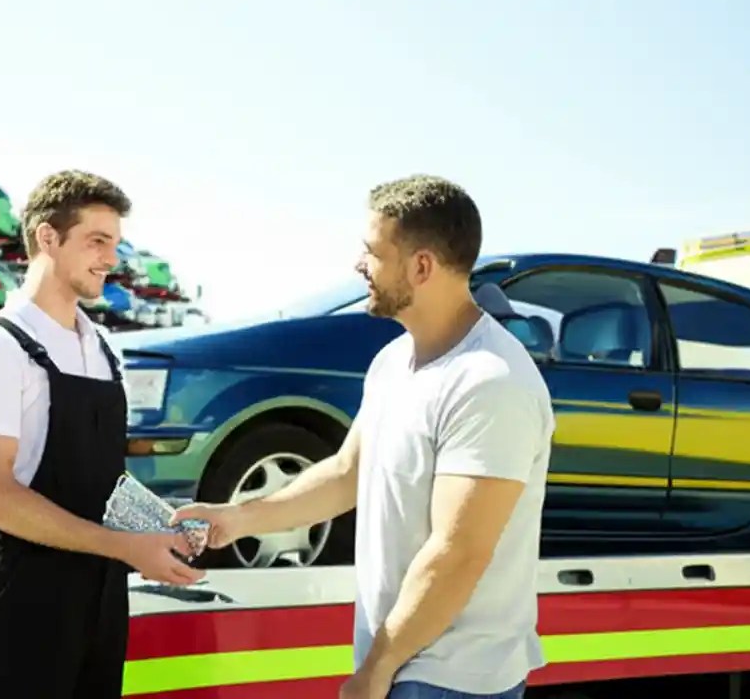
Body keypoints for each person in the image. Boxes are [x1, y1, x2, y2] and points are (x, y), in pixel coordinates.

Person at [173, 175, 554, 699]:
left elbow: (458, 553)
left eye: (372, 252)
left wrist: (377, 668)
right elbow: (346, 474)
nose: (359, 265)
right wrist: (237, 519)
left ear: (421, 267)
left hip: (453, 680)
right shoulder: (394, 361)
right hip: (401, 665)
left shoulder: (490, 382)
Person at [0, 169, 205, 699]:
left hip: (100, 603)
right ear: (48, 237)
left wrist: (165, 528)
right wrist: (127, 547)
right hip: (19, 607)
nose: (111, 259)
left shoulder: (104, 349)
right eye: (97, 241)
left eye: (115, 243)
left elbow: (100, 479)